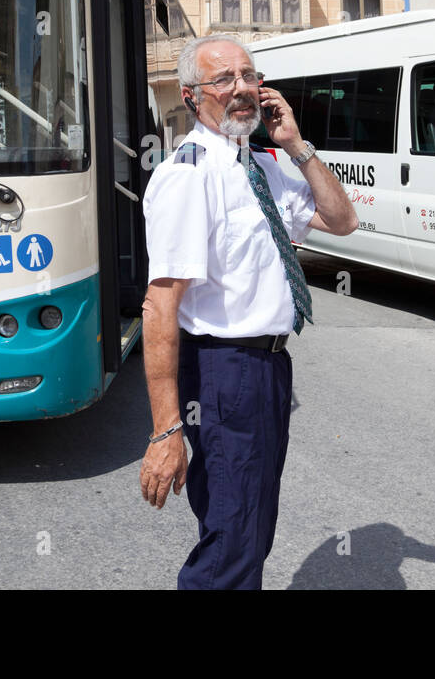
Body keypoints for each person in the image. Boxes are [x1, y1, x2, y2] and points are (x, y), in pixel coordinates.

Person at [138, 34, 358, 589]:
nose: (241, 90)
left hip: (268, 369)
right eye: (224, 80)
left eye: (249, 76)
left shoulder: (263, 163)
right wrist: (166, 431)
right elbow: (161, 304)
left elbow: (342, 220)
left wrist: (296, 144)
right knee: (233, 538)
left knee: (252, 527)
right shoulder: (189, 174)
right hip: (222, 371)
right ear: (192, 97)